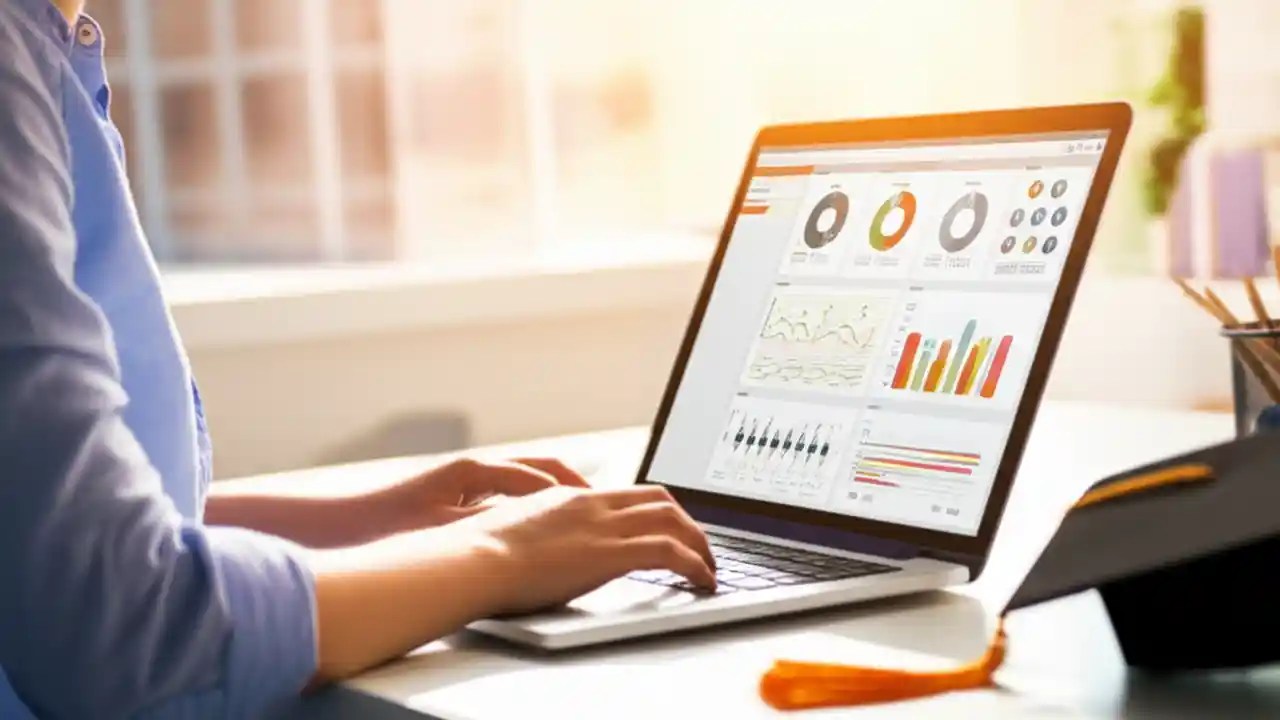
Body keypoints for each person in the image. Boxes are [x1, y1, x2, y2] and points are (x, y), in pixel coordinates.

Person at [0, 1, 716, 717]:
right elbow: (118, 626)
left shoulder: (45, 50)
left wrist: (371, 523)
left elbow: (43, 535)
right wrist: (500, 555)